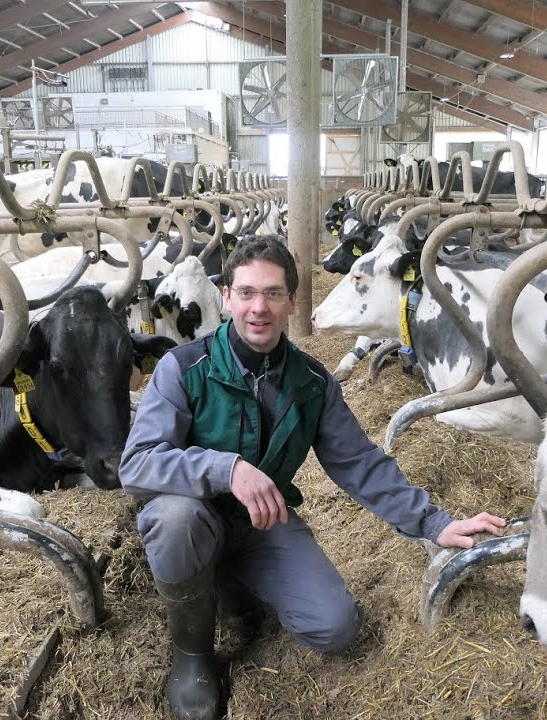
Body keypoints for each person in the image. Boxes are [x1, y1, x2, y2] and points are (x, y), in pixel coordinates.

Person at [119, 234, 508, 720]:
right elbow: (137, 464)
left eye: (273, 294)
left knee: (335, 627)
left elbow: (359, 463)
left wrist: (433, 523)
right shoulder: (183, 367)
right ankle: (193, 654)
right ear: (227, 298)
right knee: (176, 518)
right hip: (193, 518)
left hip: (262, 525)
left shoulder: (312, 381)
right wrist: (227, 468)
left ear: (292, 301)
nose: (258, 308)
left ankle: (229, 581)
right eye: (246, 293)